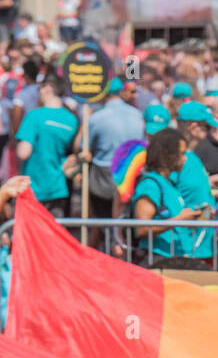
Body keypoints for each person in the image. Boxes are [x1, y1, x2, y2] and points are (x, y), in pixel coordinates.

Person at [78, 76, 144, 245]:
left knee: (103, 225)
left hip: (105, 180)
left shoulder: (96, 117)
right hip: (129, 177)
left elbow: (82, 146)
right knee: (123, 225)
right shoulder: (137, 114)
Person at [132, 127, 202, 266]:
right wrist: (179, 219)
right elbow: (142, 229)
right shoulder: (150, 185)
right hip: (156, 261)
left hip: (173, 260)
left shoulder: (170, 183)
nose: (185, 158)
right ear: (167, 154)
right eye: (182, 154)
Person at [15, 76, 78, 217]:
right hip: (58, 187)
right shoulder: (72, 119)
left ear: (47, 88)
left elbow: (23, 152)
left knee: (30, 236)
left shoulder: (34, 116)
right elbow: (72, 153)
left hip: (33, 187)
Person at [174, 101, 218, 260]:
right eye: (207, 127)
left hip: (202, 245)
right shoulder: (176, 159)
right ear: (193, 127)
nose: (210, 132)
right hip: (185, 248)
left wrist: (209, 183)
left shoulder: (192, 157)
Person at [10, 57, 40, 138]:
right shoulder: (43, 90)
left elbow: (16, 118)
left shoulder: (21, 94)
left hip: (26, 133)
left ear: (25, 75)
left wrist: (15, 137)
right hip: (40, 132)